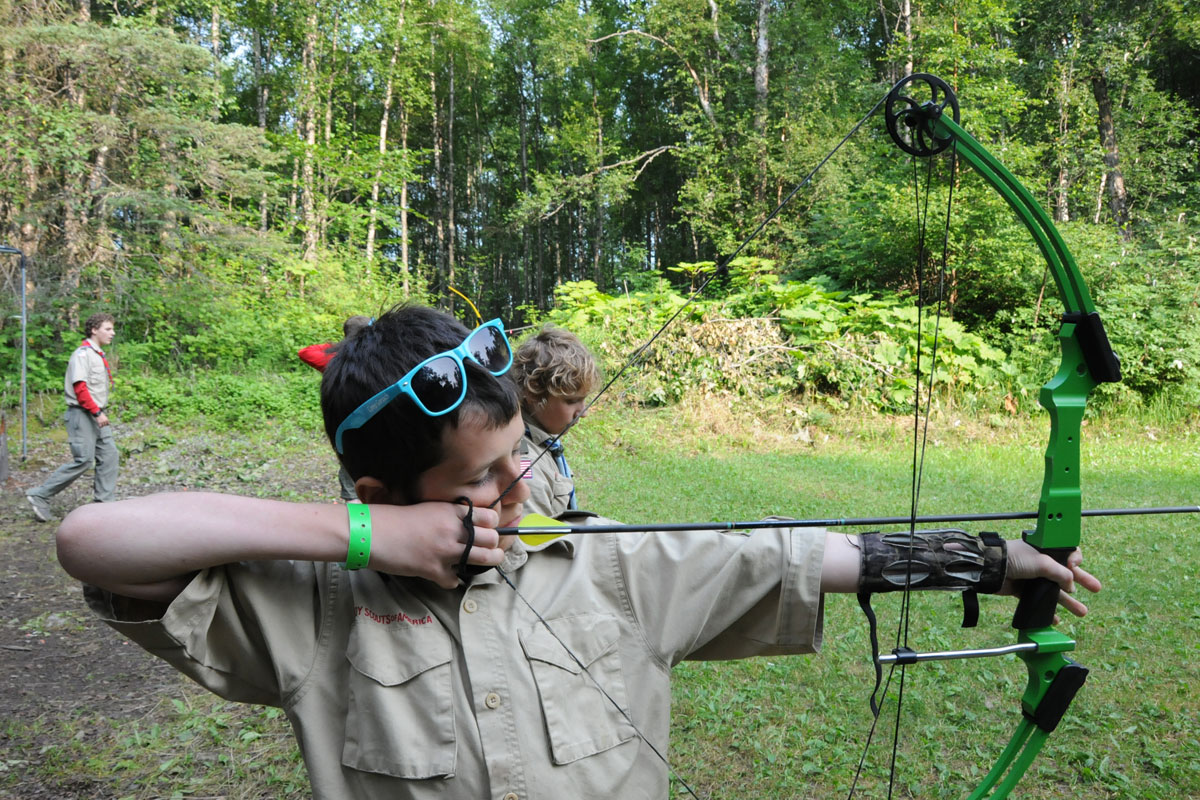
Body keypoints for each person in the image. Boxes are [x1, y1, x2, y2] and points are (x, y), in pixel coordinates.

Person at [55, 304, 1100, 800]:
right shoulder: (321, 607)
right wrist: (365, 538)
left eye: (521, 454)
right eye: (479, 480)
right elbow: (93, 540)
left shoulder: (600, 563)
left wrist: (992, 560)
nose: (520, 489)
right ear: (382, 496)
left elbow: (796, 555)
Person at [27, 313, 119, 521]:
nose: (112, 333)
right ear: (94, 330)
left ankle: (104, 504)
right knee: (84, 460)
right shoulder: (82, 355)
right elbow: (80, 388)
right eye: (107, 329)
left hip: (96, 414)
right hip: (83, 414)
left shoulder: (96, 354)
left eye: (112, 329)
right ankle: (40, 495)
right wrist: (97, 413)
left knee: (109, 455)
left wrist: (98, 412)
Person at [510, 326, 600, 517]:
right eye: (571, 401)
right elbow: (535, 533)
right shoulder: (525, 462)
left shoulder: (543, 441)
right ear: (533, 392)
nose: (583, 413)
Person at [298, 315, 373, 501]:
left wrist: (340, 344)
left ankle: (357, 514)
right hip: (377, 420)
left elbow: (306, 352)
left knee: (351, 469)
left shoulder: (334, 359)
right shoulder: (380, 357)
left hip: (347, 424)